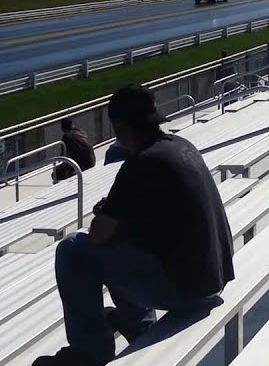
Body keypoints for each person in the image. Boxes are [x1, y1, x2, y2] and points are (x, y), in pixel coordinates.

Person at [34, 85, 234, 366]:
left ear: (120, 125)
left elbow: (97, 237)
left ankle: (90, 352)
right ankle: (135, 325)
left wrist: (110, 218)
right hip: (213, 281)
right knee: (123, 243)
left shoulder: (141, 163)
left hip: (187, 292)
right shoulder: (181, 147)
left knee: (72, 250)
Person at [53, 117, 96, 182]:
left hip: (83, 165)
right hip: (91, 161)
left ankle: (70, 177)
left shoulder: (67, 137)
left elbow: (64, 156)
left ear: (62, 127)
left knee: (55, 174)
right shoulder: (81, 131)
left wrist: (61, 167)